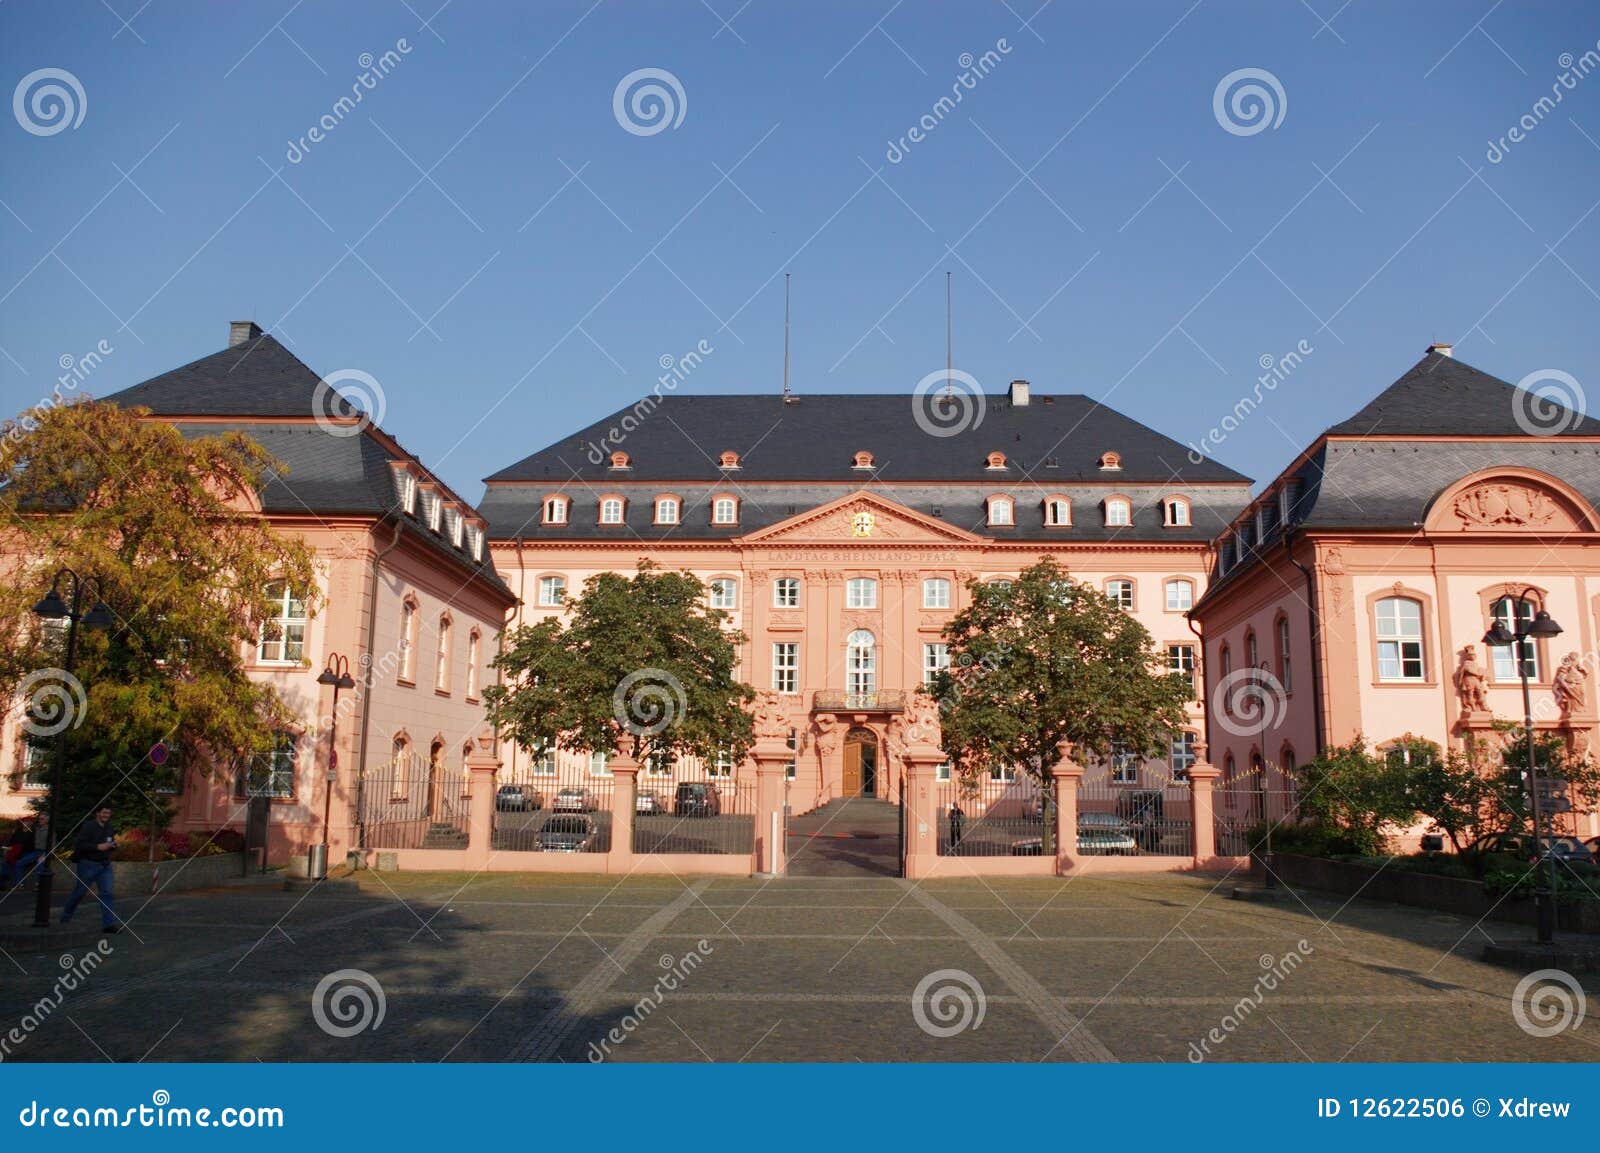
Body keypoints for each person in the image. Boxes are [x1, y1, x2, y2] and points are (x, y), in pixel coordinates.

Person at [60, 806, 119, 933]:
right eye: (104, 812)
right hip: (88, 864)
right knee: (79, 892)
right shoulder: (88, 826)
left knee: (107, 893)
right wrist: (98, 847)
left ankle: (109, 925)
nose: (106, 815)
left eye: (108, 812)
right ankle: (65, 917)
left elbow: (110, 842)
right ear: (97, 813)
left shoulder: (110, 827)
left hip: (104, 865)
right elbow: (80, 845)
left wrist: (113, 845)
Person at [2, 817, 43, 890]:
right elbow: (11, 842)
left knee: (18, 863)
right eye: (24, 821)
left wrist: (18, 848)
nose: (26, 823)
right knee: (5, 863)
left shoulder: (33, 832)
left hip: (27, 852)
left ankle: (19, 884)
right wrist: (8, 848)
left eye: (28, 821)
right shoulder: (18, 831)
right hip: (16, 853)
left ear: (31, 823)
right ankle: (2, 884)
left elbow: (32, 845)